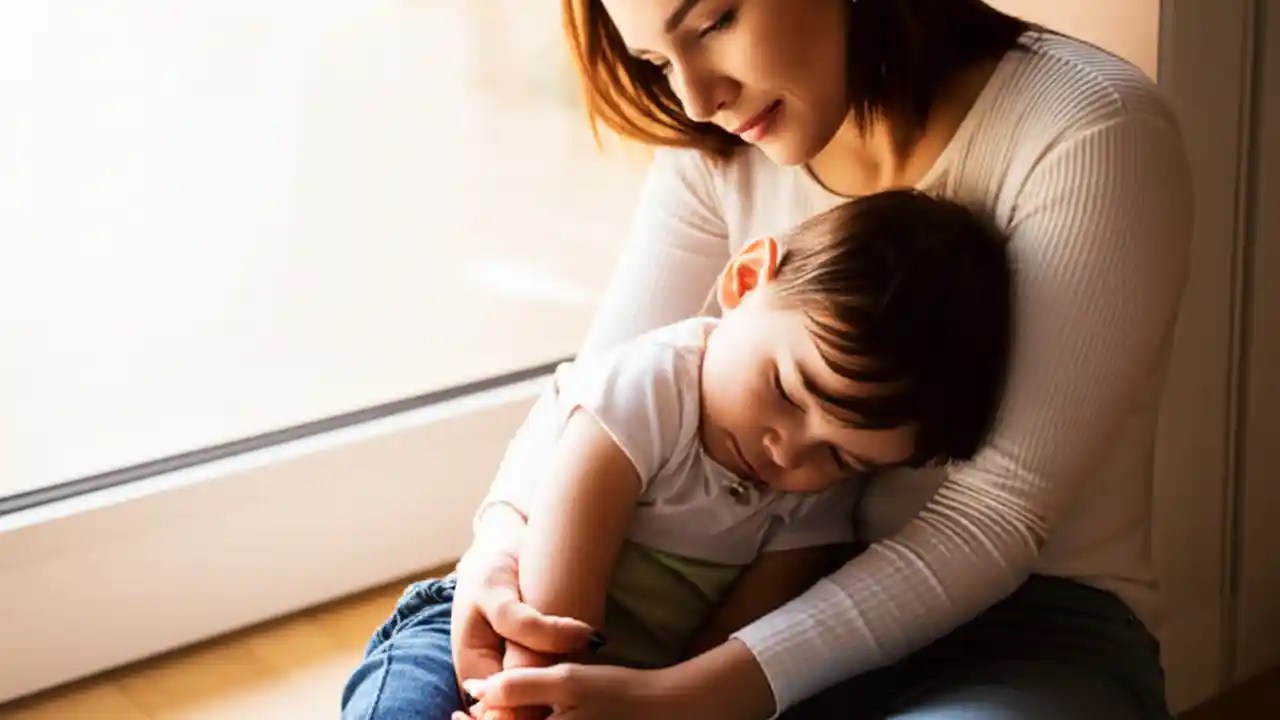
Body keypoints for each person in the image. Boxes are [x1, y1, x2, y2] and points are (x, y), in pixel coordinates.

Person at [354, 0, 1195, 718]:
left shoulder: (1088, 129)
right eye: (655, 58)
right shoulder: (717, 135)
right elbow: (598, 396)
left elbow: (990, 522)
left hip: (1013, 627)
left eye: (716, 19)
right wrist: (499, 554)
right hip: (668, 590)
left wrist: (688, 701)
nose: (694, 96)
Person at [341, 190, 1013, 720]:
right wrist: (527, 703)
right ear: (746, 280)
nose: (790, 454)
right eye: (785, 390)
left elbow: (724, 650)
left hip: (639, 688)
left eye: (841, 457)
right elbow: (552, 610)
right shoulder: (651, 387)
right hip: (502, 630)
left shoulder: (816, 496)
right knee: (406, 701)